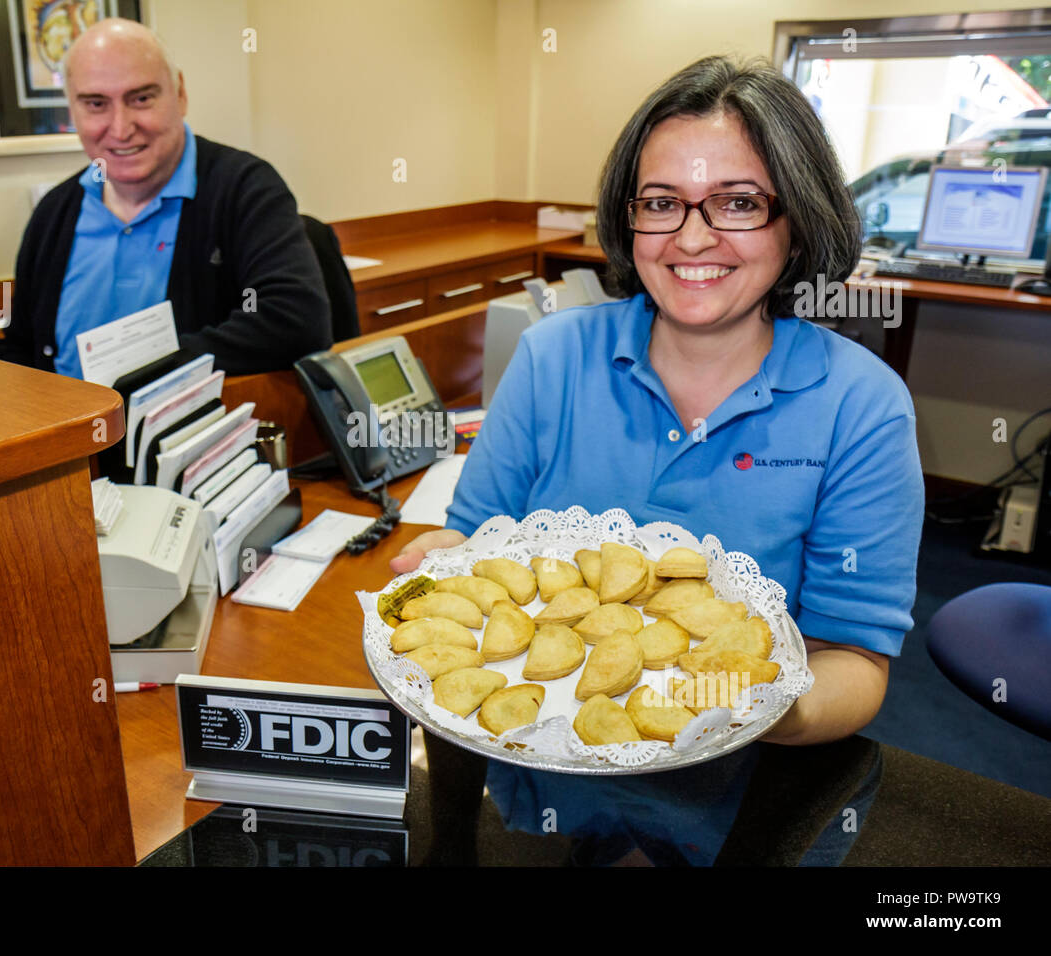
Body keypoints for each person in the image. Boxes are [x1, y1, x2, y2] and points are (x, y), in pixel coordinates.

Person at [390, 55, 924, 865]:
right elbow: (481, 552)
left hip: (732, 808)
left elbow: (854, 662)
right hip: (530, 780)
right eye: (662, 203)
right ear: (626, 217)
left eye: (738, 202)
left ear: (797, 219)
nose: (693, 237)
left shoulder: (862, 405)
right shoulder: (550, 358)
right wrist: (440, 568)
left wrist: (744, 703)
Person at [0, 18, 331, 378]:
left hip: (184, 428)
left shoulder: (244, 189)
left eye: (141, 98)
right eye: (96, 104)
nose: (121, 128)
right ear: (73, 112)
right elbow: (20, 347)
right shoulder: (55, 212)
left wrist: (141, 374)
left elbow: (295, 321)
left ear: (180, 93)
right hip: (64, 429)